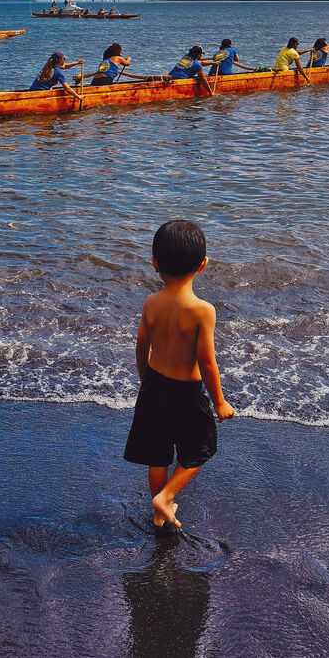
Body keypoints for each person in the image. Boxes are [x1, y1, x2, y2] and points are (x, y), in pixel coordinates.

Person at [125, 219, 235, 529]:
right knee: (201, 448)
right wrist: (219, 403)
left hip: (154, 386)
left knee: (157, 455)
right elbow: (207, 362)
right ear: (203, 265)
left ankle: (160, 516)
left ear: (154, 263)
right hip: (186, 393)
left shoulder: (151, 303)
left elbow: (141, 347)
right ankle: (166, 497)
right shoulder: (203, 310)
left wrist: (146, 380)